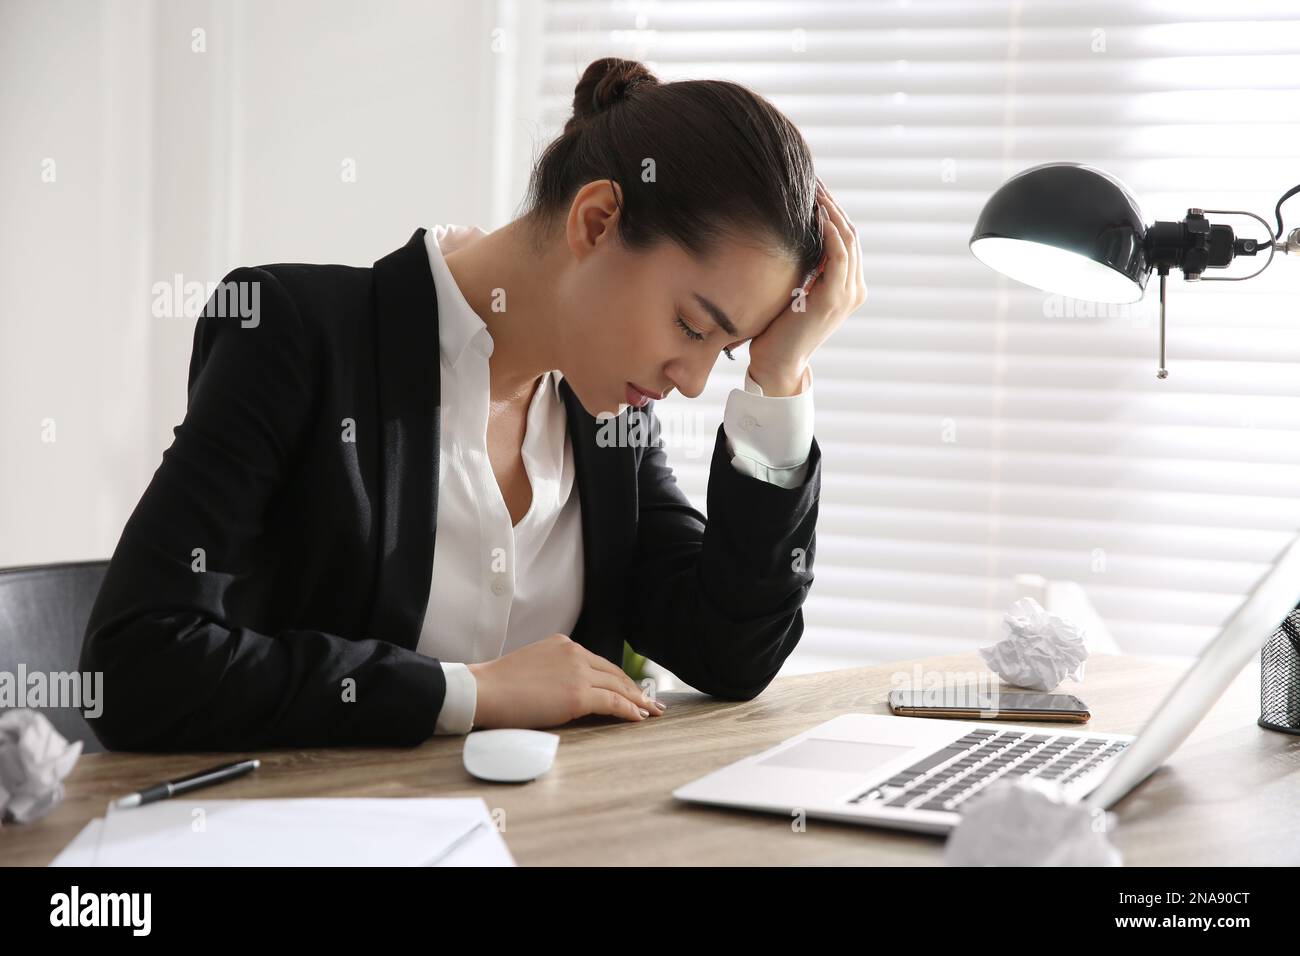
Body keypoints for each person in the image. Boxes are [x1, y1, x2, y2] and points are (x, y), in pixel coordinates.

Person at [80, 57, 867, 750]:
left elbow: (730, 651)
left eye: (720, 350)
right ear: (597, 221)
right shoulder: (294, 331)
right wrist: (471, 692)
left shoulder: (611, 415)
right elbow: (137, 662)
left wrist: (780, 376)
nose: (694, 380)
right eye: (692, 326)